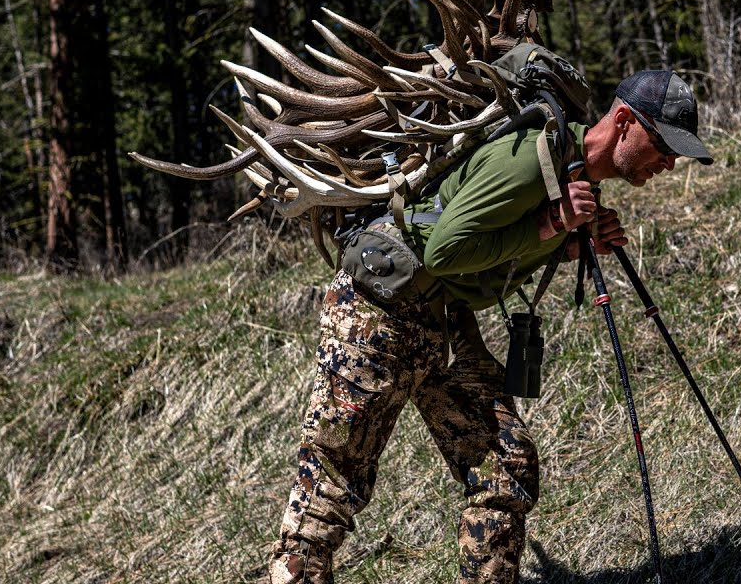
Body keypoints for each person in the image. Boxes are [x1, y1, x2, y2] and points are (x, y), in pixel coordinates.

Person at [269, 70, 714, 584]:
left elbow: (491, 259)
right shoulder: (532, 159)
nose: (670, 162)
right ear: (622, 121)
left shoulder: (572, 175)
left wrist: (566, 244)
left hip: (444, 321)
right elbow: (444, 251)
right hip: (377, 312)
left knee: (506, 469)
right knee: (328, 491)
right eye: (663, 144)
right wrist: (550, 226)